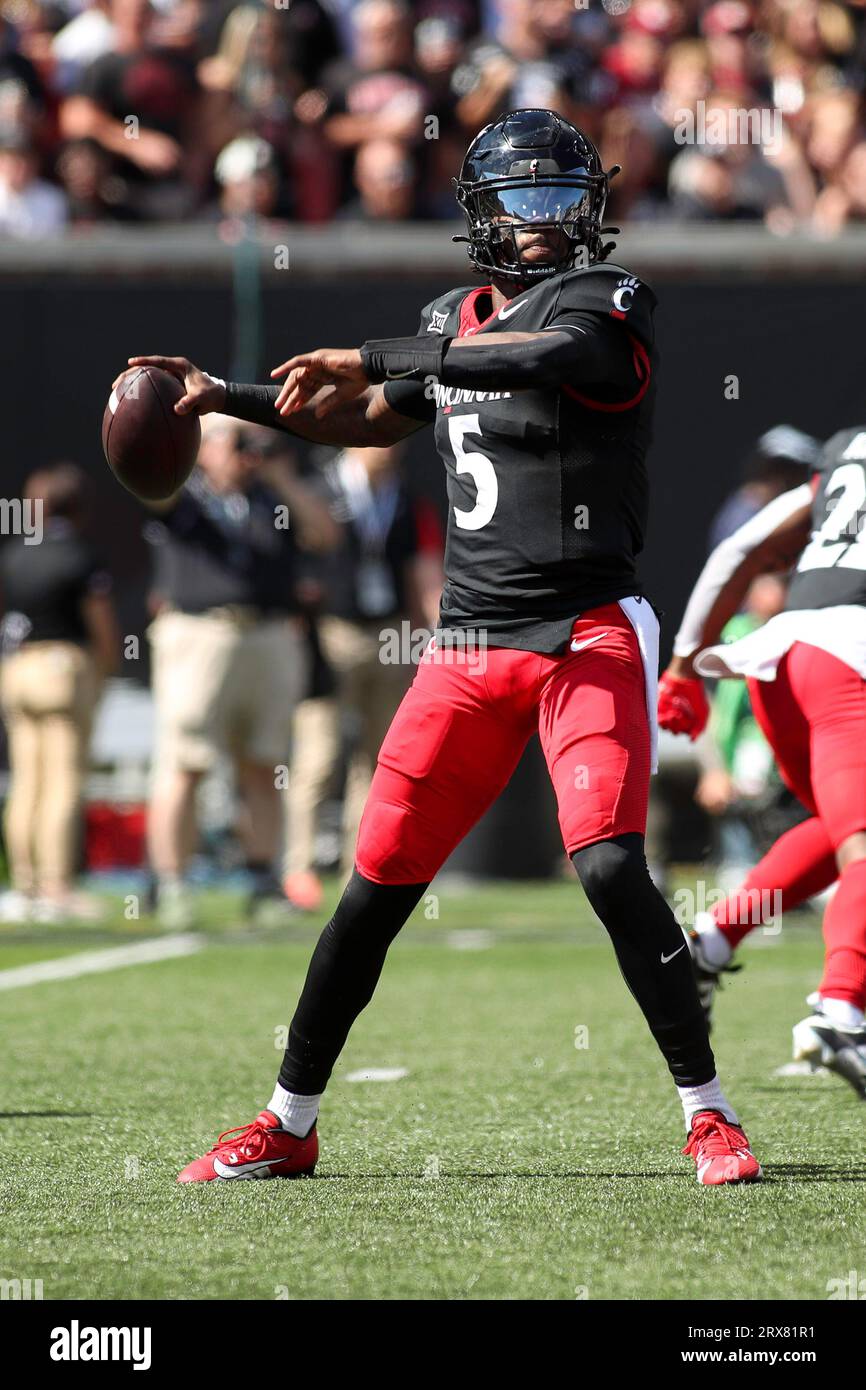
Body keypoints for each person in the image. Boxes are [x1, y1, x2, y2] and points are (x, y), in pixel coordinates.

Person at [129, 107, 761, 1186]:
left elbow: (547, 355)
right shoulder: (449, 318)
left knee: (610, 863)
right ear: (480, 215)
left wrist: (379, 352)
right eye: (520, 198)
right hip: (468, 641)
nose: (542, 218)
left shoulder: (609, 300)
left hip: (584, 628)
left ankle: (709, 1114)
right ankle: (287, 1121)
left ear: (591, 208)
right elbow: (365, 416)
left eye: (561, 196)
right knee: (374, 884)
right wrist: (222, 399)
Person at [658, 426, 866, 1096]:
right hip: (851, 658)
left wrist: (684, 663)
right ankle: (841, 1011)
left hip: (786, 656)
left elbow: (739, 550)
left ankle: (711, 941)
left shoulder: (847, 449)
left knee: (839, 828)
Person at [143, 417, 339, 928]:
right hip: (199, 633)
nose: (248, 454)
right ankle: (171, 882)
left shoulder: (271, 498)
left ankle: (262, 881)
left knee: (264, 763)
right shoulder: (185, 495)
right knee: (185, 761)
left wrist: (281, 476)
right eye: (237, 442)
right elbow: (155, 492)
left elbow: (325, 535)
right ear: (203, 448)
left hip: (269, 634)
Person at [0, 464, 118, 923]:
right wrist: (106, 669)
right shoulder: (79, 556)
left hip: (17, 669)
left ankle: (24, 886)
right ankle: (55, 886)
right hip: (61, 671)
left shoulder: (14, 554)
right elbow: (102, 628)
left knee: (27, 782)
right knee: (63, 783)